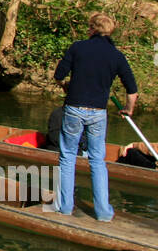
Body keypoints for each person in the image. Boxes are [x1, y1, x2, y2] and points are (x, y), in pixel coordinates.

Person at [52, 12, 138, 222]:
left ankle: (65, 207)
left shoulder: (78, 47)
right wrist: (128, 109)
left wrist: (65, 86)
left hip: (74, 108)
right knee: (97, 160)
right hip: (98, 112)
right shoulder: (116, 55)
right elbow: (132, 91)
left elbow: (59, 75)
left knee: (67, 157)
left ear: (92, 29)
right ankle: (103, 213)